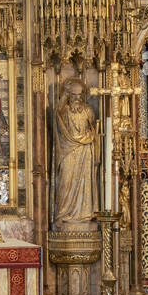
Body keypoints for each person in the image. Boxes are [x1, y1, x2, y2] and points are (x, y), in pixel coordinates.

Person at [53, 78, 98, 227]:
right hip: (67, 151)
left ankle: (84, 215)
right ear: (68, 95)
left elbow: (93, 129)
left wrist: (91, 137)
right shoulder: (64, 110)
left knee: (85, 183)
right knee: (66, 181)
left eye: (80, 95)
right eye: (74, 95)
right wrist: (64, 94)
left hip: (84, 152)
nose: (77, 98)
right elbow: (57, 113)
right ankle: (63, 214)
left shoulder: (88, 110)